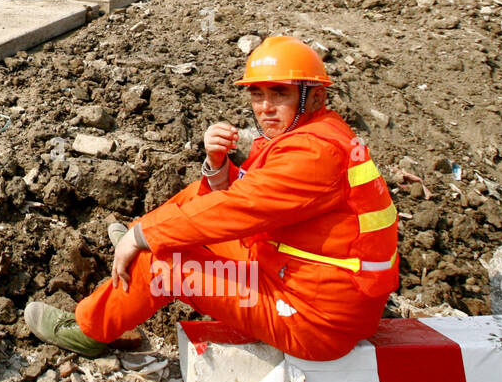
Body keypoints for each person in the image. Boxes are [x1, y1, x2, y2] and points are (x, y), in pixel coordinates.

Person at [24, 35, 399, 363]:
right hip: (298, 276)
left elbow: (238, 207)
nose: (265, 107)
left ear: (314, 95)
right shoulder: (315, 133)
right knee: (191, 200)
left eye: (279, 93)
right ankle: (136, 244)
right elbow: (252, 195)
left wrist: (143, 238)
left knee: (162, 263)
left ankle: (90, 331)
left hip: (310, 319)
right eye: (257, 94)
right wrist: (217, 166)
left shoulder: (314, 154)